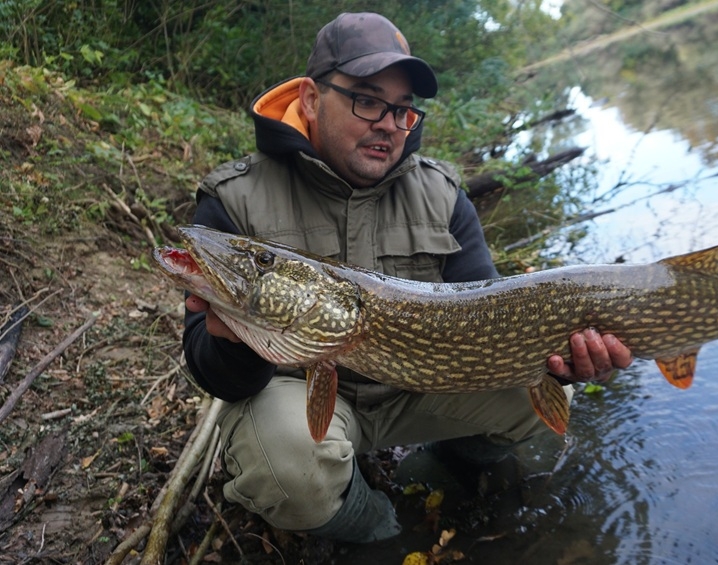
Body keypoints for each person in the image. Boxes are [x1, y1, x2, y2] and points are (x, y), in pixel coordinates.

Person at [182, 12, 632, 543]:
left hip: (413, 388)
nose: (388, 124)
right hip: (296, 391)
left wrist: (562, 365)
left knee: (538, 398)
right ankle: (376, 528)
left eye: (402, 111)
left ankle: (448, 464)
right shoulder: (233, 199)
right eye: (368, 100)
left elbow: (491, 320)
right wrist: (231, 344)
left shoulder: (442, 194)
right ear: (309, 98)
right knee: (286, 469)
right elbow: (217, 378)